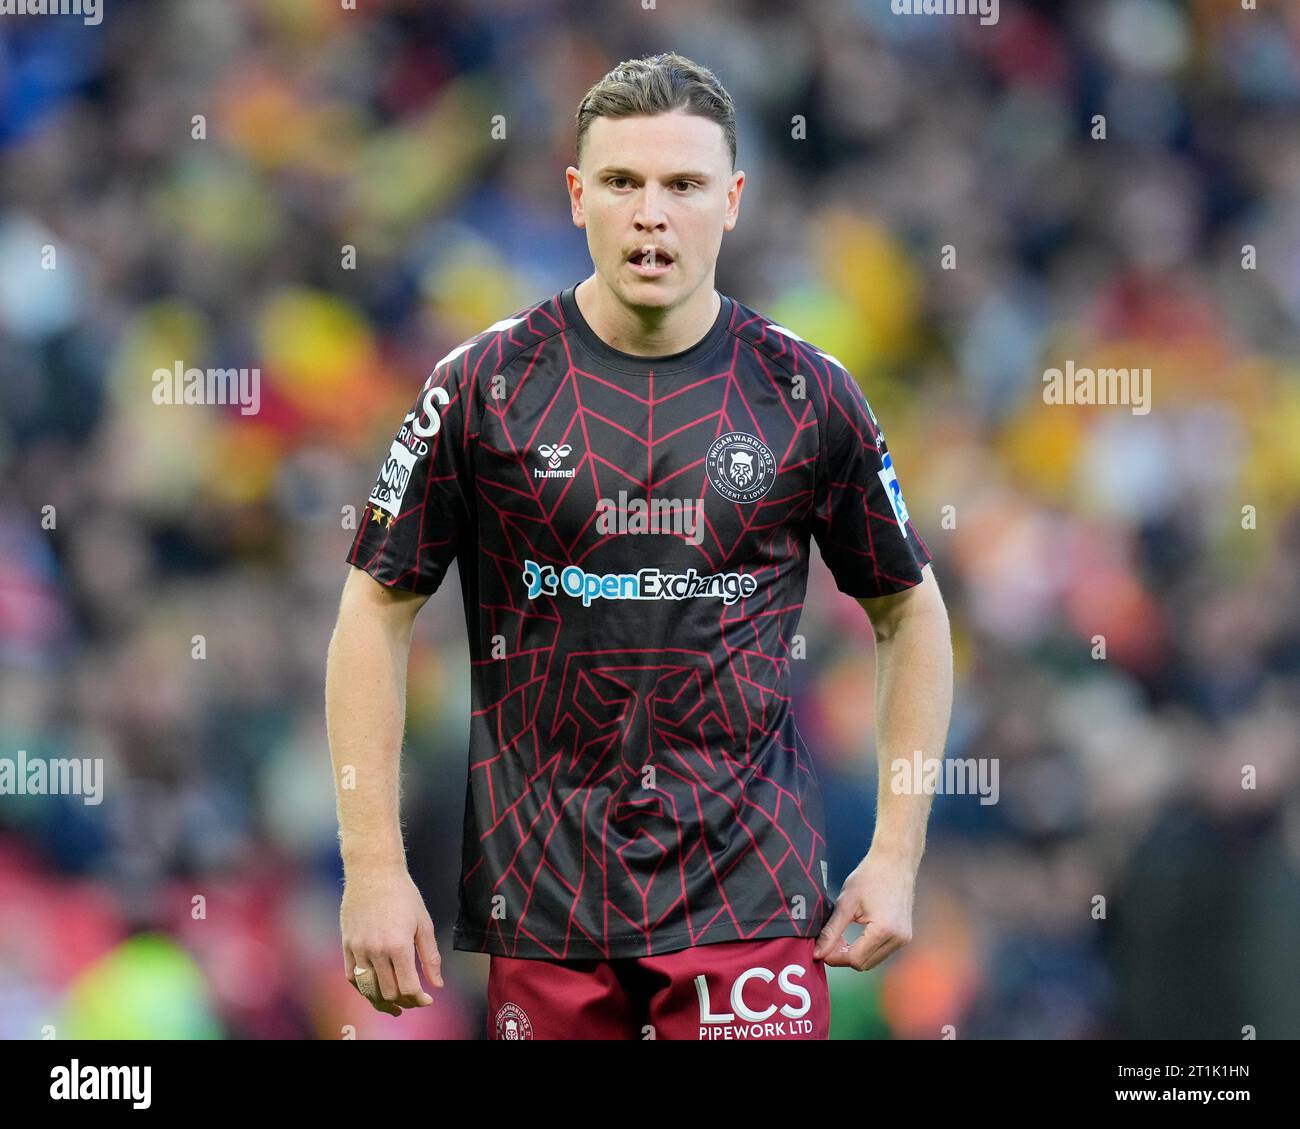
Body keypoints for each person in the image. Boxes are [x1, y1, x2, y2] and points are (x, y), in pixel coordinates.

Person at [325, 51, 953, 1041]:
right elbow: (373, 606)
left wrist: (896, 852)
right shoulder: (481, 384)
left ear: (733, 199)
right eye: (621, 183)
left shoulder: (808, 392)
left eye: (683, 185)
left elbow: (908, 609)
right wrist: (372, 865)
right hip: (546, 905)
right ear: (577, 196)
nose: (650, 213)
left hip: (750, 907)